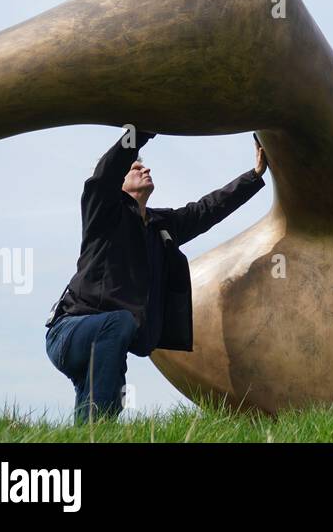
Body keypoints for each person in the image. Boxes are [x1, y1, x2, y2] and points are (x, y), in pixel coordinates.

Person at [43, 127, 267, 422]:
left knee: (101, 403)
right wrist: (141, 130)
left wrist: (255, 175)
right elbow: (105, 174)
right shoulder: (103, 211)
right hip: (70, 331)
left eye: (143, 164)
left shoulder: (160, 225)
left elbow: (206, 210)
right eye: (135, 167)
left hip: (108, 340)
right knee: (118, 328)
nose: (145, 168)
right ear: (119, 181)